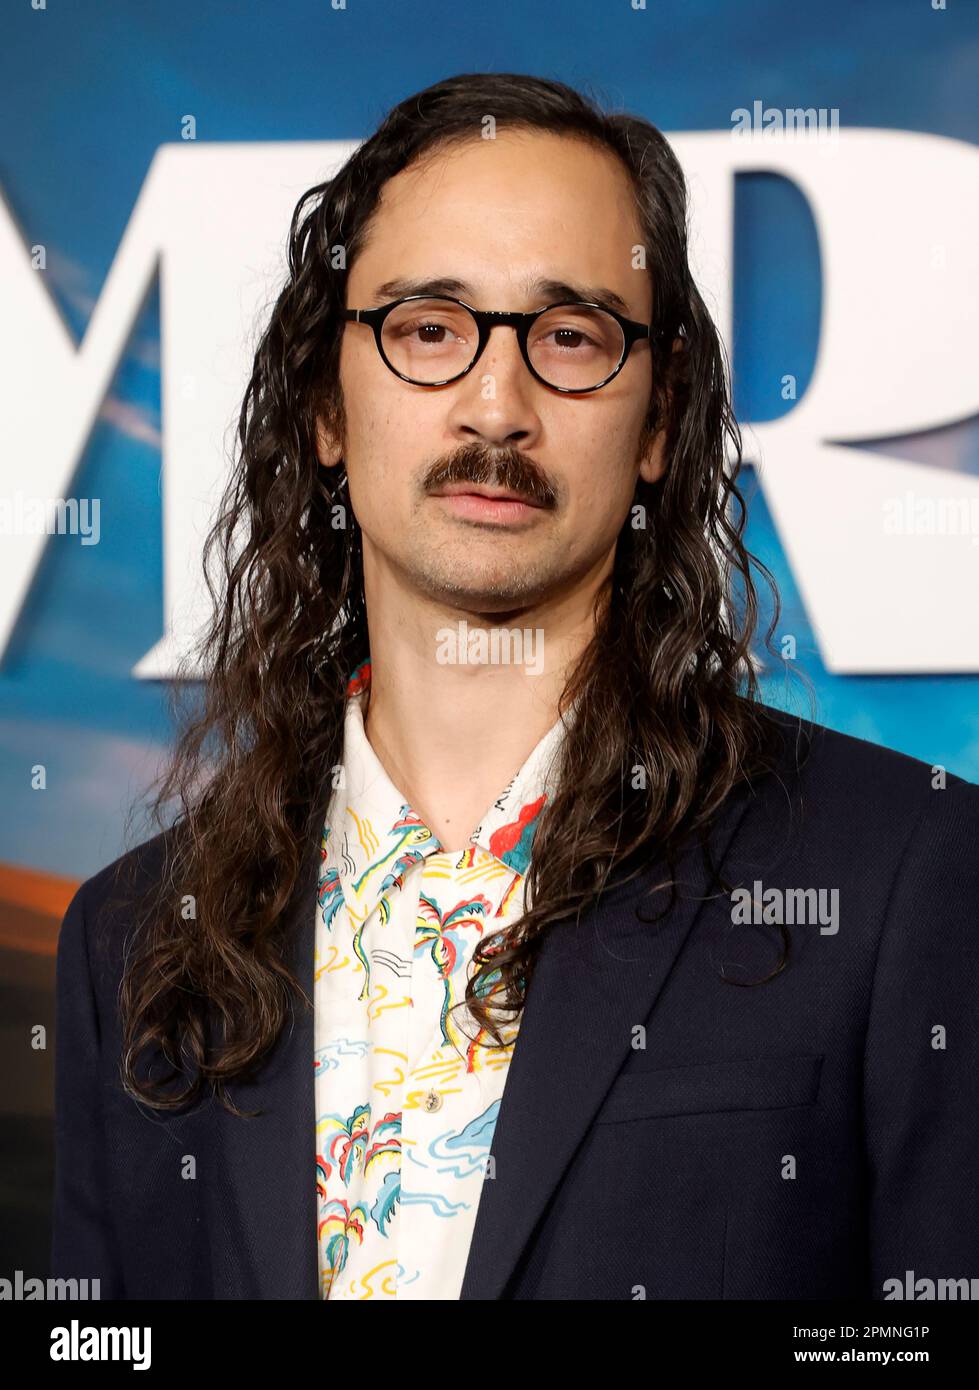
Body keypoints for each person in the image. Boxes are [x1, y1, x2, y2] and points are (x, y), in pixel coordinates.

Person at [51, 71, 979, 1302]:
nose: (497, 404)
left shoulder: (905, 868)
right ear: (327, 403)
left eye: (572, 337)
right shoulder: (129, 941)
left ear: (657, 425)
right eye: (429, 328)